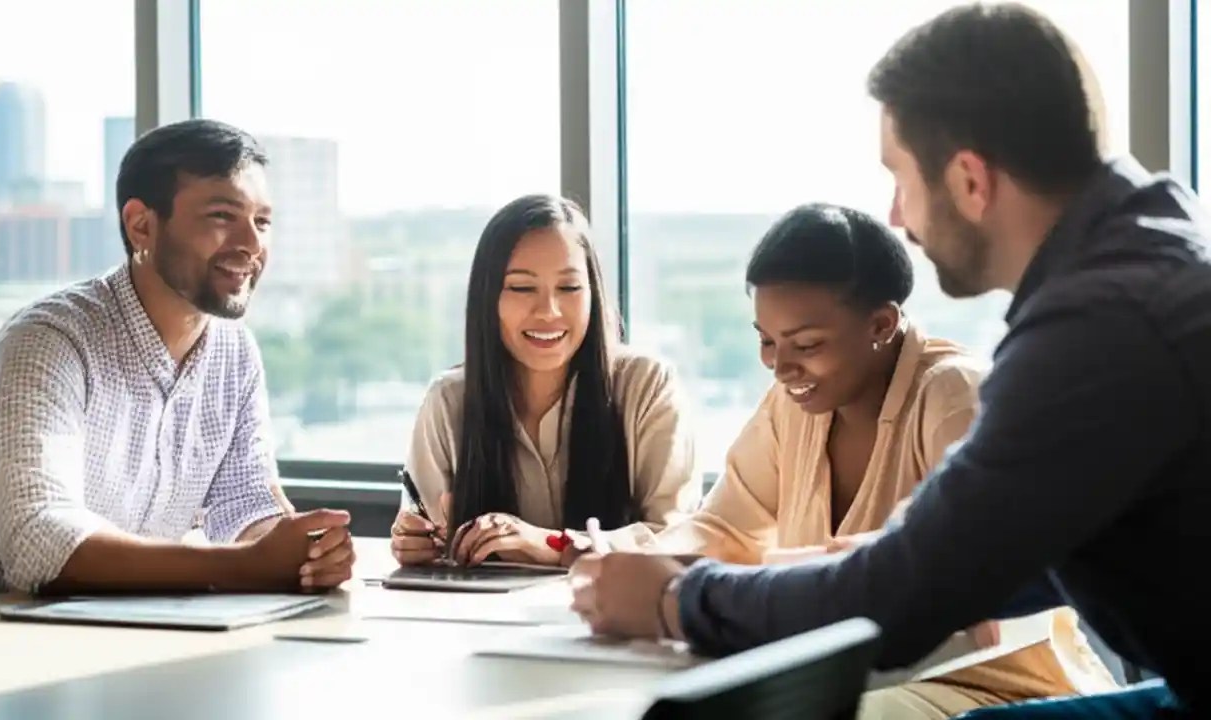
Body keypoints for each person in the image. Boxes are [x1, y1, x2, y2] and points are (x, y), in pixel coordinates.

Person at [568, 5, 1208, 717]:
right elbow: (978, 555)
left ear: (970, 180)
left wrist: (673, 600)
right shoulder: (1154, 255)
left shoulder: (1099, 327)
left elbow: (899, 603)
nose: (897, 218)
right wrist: (825, 564)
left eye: (901, 179)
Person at [641, 203, 1111, 718]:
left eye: (806, 343)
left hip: (997, 688)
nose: (779, 366)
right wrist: (642, 567)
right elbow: (724, 528)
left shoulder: (955, 395)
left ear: (883, 323)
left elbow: (973, 590)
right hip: (865, 677)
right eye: (766, 340)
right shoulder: (794, 404)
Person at [0, 119, 354, 600]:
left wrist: (298, 554)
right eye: (222, 216)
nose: (252, 245)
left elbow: (245, 502)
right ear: (141, 225)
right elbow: (40, 542)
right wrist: (241, 566)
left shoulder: (235, 354)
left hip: (128, 635)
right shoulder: (47, 342)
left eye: (262, 221)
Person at [391, 193, 700, 567]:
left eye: (569, 288)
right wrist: (415, 544)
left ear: (593, 294)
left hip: (614, 615)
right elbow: (424, 528)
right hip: (482, 620)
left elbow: (676, 537)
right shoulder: (449, 400)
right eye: (522, 288)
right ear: (488, 298)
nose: (549, 311)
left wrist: (550, 544)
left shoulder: (646, 385)